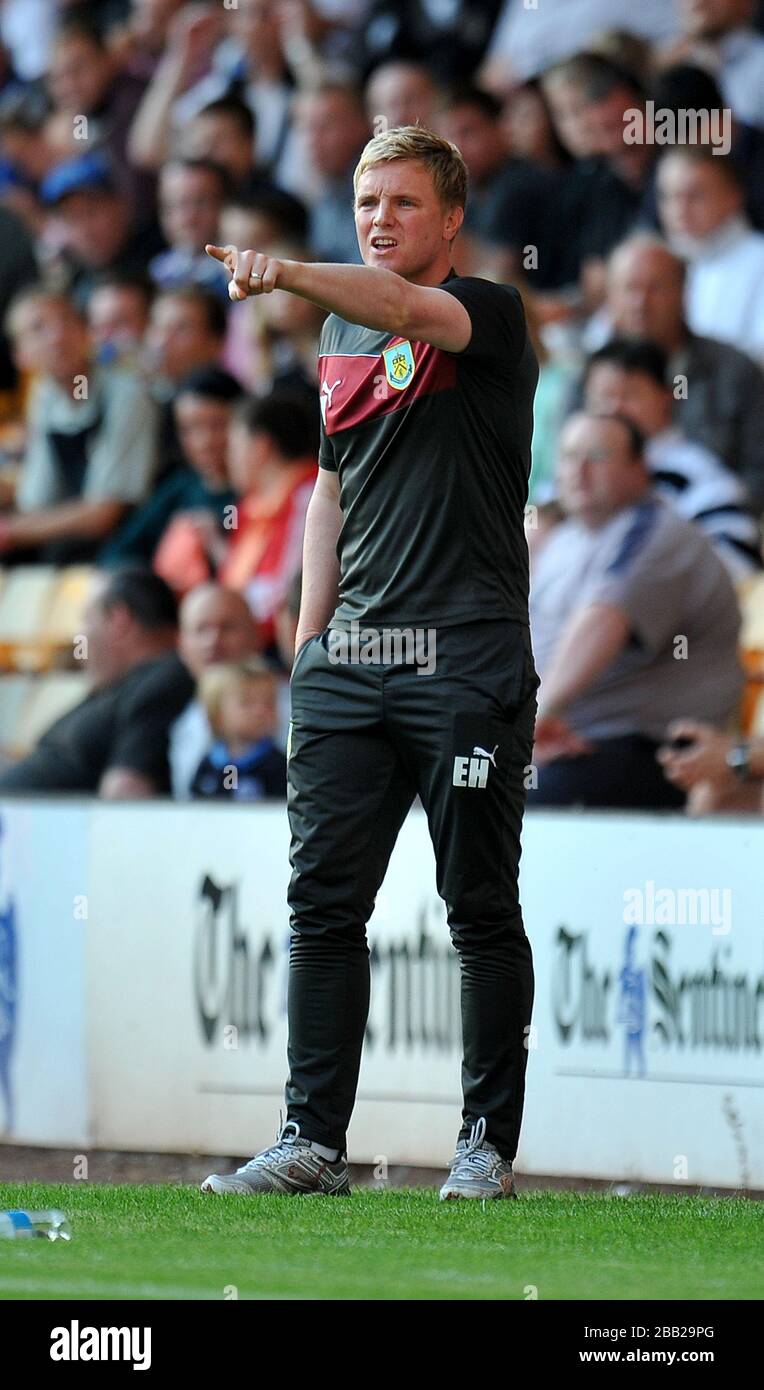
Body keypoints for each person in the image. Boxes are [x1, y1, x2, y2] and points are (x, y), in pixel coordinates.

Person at [200, 124, 539, 1201]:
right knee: (320, 904)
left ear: (449, 219)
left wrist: (285, 272)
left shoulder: (484, 313)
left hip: (464, 659)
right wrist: (308, 642)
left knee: (476, 902)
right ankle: (310, 1141)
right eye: (364, 204)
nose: (380, 220)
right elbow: (330, 491)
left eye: (400, 203)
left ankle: (483, 1144)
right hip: (350, 661)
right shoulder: (342, 334)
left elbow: (400, 309)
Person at [528, 412, 743, 809]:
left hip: (654, 751)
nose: (579, 469)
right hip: (559, 739)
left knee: (505, 798)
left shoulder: (657, 529)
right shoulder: (563, 539)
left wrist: (532, 718)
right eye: (570, 455)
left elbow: (603, 619)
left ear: (638, 467)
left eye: (597, 455)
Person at [588, 233, 764, 508]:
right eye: (629, 289)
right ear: (609, 297)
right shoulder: (591, 373)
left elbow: (758, 473)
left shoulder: (736, 371)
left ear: (685, 293)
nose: (641, 304)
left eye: (655, 289)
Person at [0, 568, 194, 795]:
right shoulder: (116, 685)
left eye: (86, 620)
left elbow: (127, 795)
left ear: (119, 619)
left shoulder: (165, 679)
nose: (78, 638)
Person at [1, 288, 159, 563]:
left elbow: (103, 514)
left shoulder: (126, 394)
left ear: (85, 331)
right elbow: (37, 499)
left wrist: (9, 531)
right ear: (20, 355)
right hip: (73, 546)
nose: (58, 335)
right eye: (38, 328)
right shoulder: (46, 395)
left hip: (129, 548)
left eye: (65, 320)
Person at [583, 338, 762, 578]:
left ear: (666, 397)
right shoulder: (573, 473)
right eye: (602, 398)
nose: (614, 410)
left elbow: (738, 574)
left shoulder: (705, 480)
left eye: (628, 395)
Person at [656, 147, 764, 364]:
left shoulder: (759, 261)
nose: (680, 209)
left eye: (695, 195)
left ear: (733, 197)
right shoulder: (656, 262)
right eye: (670, 196)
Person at [171, 581, 264, 798]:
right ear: (181, 646)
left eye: (227, 627)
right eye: (200, 629)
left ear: (256, 634)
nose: (213, 641)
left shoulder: (295, 710)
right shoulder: (183, 723)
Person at [191, 658, 287, 800]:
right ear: (216, 715)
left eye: (269, 702)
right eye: (246, 702)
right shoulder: (208, 764)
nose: (260, 711)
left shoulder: (278, 766)